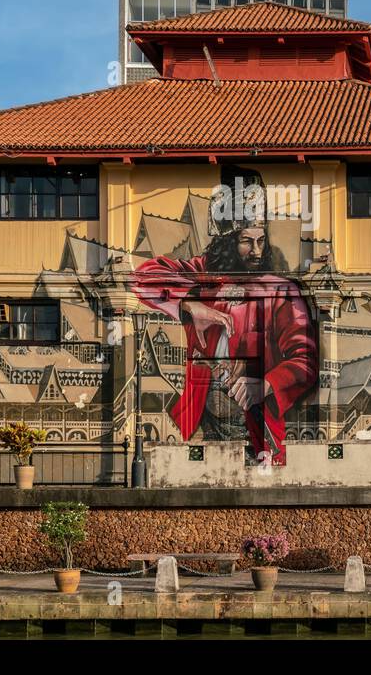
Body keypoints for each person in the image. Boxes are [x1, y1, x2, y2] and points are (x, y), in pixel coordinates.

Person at [131, 171, 318, 464]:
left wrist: (266, 383)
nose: (256, 251)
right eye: (246, 241)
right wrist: (189, 303)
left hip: (257, 427)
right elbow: (141, 277)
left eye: (261, 240)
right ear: (226, 242)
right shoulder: (200, 275)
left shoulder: (282, 290)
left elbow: (305, 360)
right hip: (200, 425)